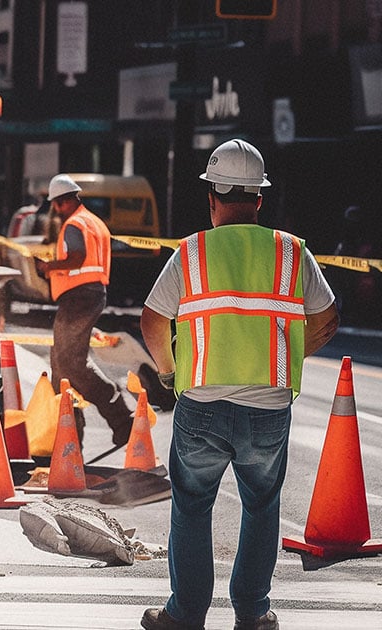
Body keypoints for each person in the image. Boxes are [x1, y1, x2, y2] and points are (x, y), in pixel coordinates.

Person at [139, 139, 338, 630]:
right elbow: (328, 319)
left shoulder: (191, 252)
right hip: (268, 406)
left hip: (201, 403)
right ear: (259, 200)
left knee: (191, 506)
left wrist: (169, 371)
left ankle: (185, 614)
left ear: (212, 197)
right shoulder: (292, 253)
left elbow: (151, 321)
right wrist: (288, 356)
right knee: (262, 506)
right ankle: (252, 613)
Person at [34, 174, 135, 448]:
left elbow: (76, 257)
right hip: (89, 295)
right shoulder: (94, 222)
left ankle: (120, 418)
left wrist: (48, 267)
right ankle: (70, 434)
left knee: (70, 364)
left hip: (78, 297)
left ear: (58, 203)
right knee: (62, 363)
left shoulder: (74, 224)